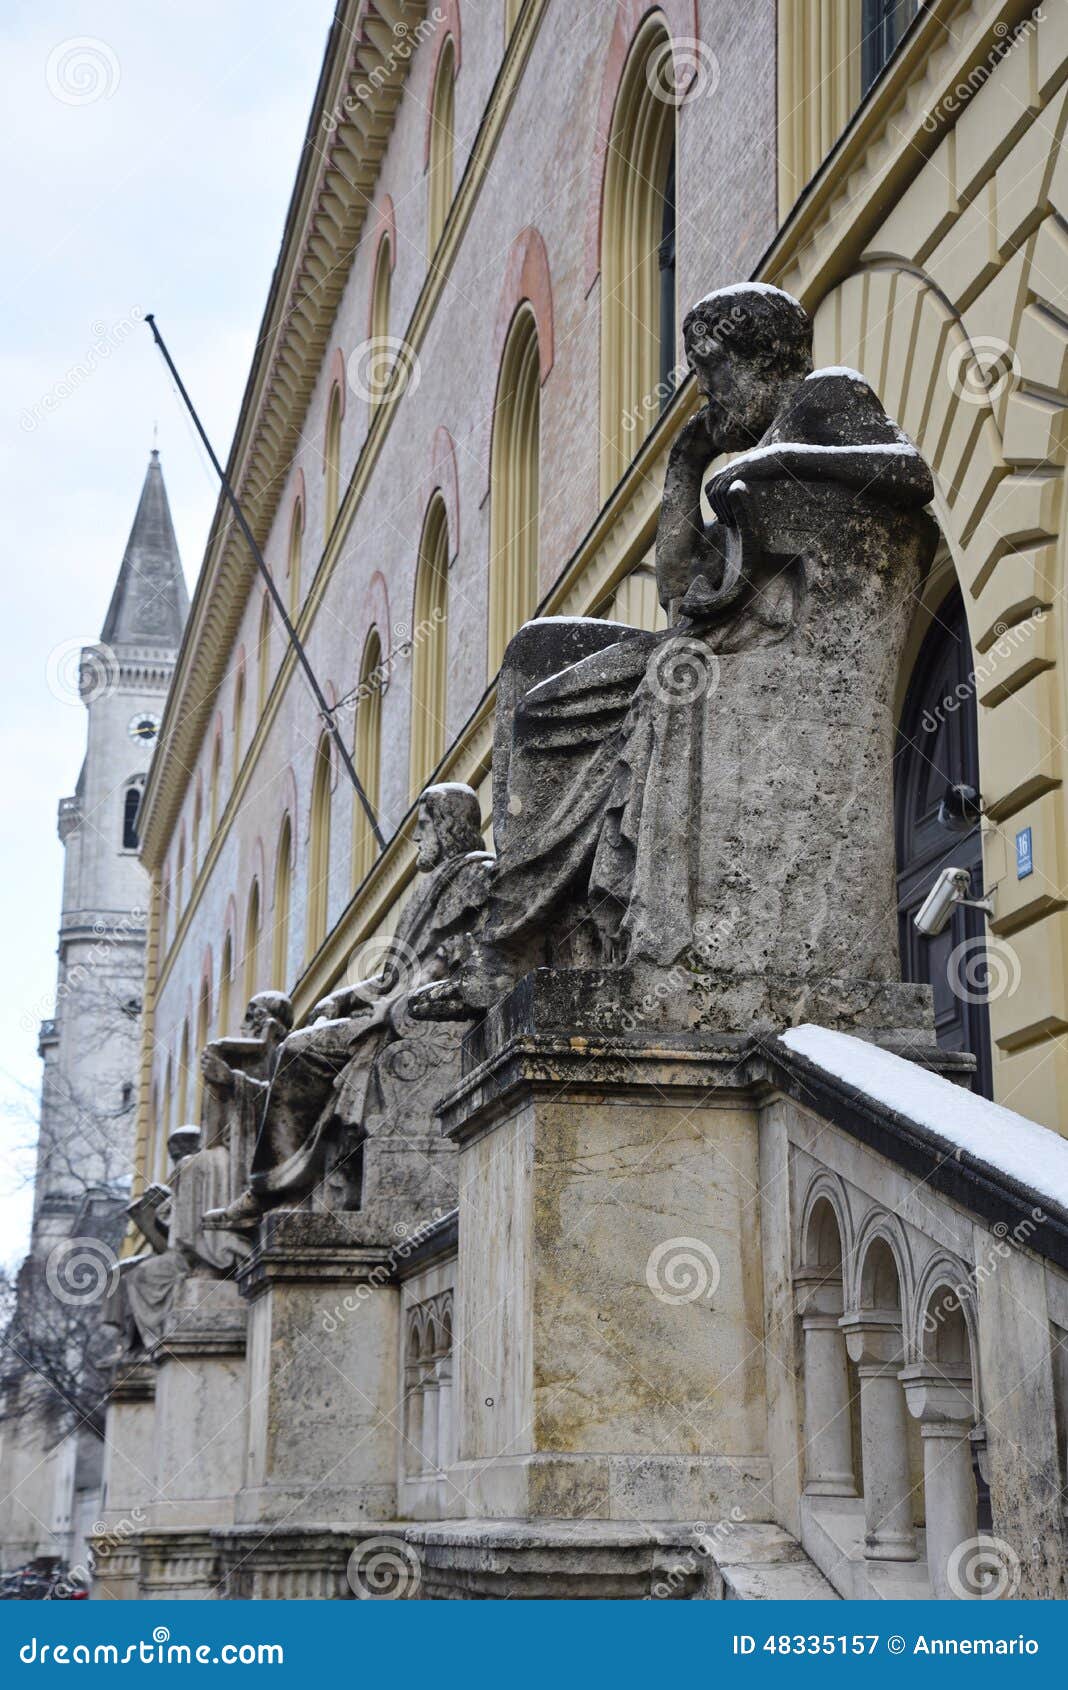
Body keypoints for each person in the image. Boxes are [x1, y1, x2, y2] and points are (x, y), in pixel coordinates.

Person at [204, 784, 493, 1228]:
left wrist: (391, 1003)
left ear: (448, 826)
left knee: (298, 1052)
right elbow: (394, 971)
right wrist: (344, 996)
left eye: (424, 827)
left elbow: (456, 955)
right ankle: (283, 1186)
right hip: (396, 1006)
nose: (416, 839)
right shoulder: (425, 891)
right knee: (302, 1045)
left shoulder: (475, 876)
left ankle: (271, 1189)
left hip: (416, 1014)